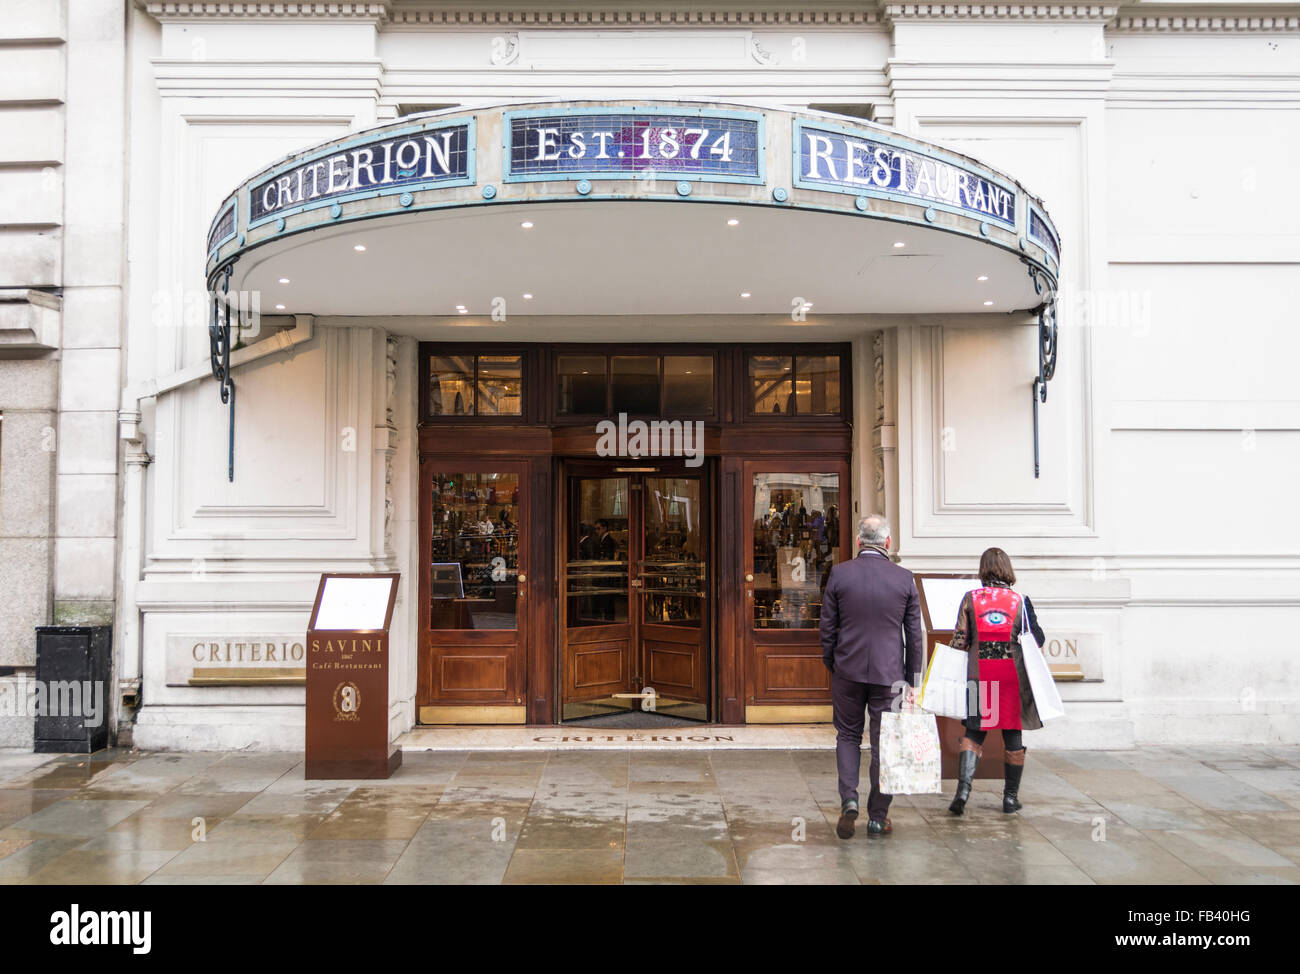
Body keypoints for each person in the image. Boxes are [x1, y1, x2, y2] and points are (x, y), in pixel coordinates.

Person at [819, 514, 923, 839]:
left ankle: (849, 798)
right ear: (888, 543)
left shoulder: (839, 574)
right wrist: (914, 681)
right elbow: (914, 637)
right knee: (885, 745)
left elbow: (826, 628)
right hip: (890, 675)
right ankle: (878, 817)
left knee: (847, 736)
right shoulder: (905, 579)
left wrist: (833, 663)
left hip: (847, 670)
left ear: (859, 541)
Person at [947, 547, 1046, 816]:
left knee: (974, 733)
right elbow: (1037, 640)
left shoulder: (971, 599)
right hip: (1011, 676)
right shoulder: (1020, 601)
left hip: (980, 675)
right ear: (1008, 570)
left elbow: (959, 640)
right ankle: (1010, 798)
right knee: (1012, 734)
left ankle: (963, 793)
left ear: (983, 570)